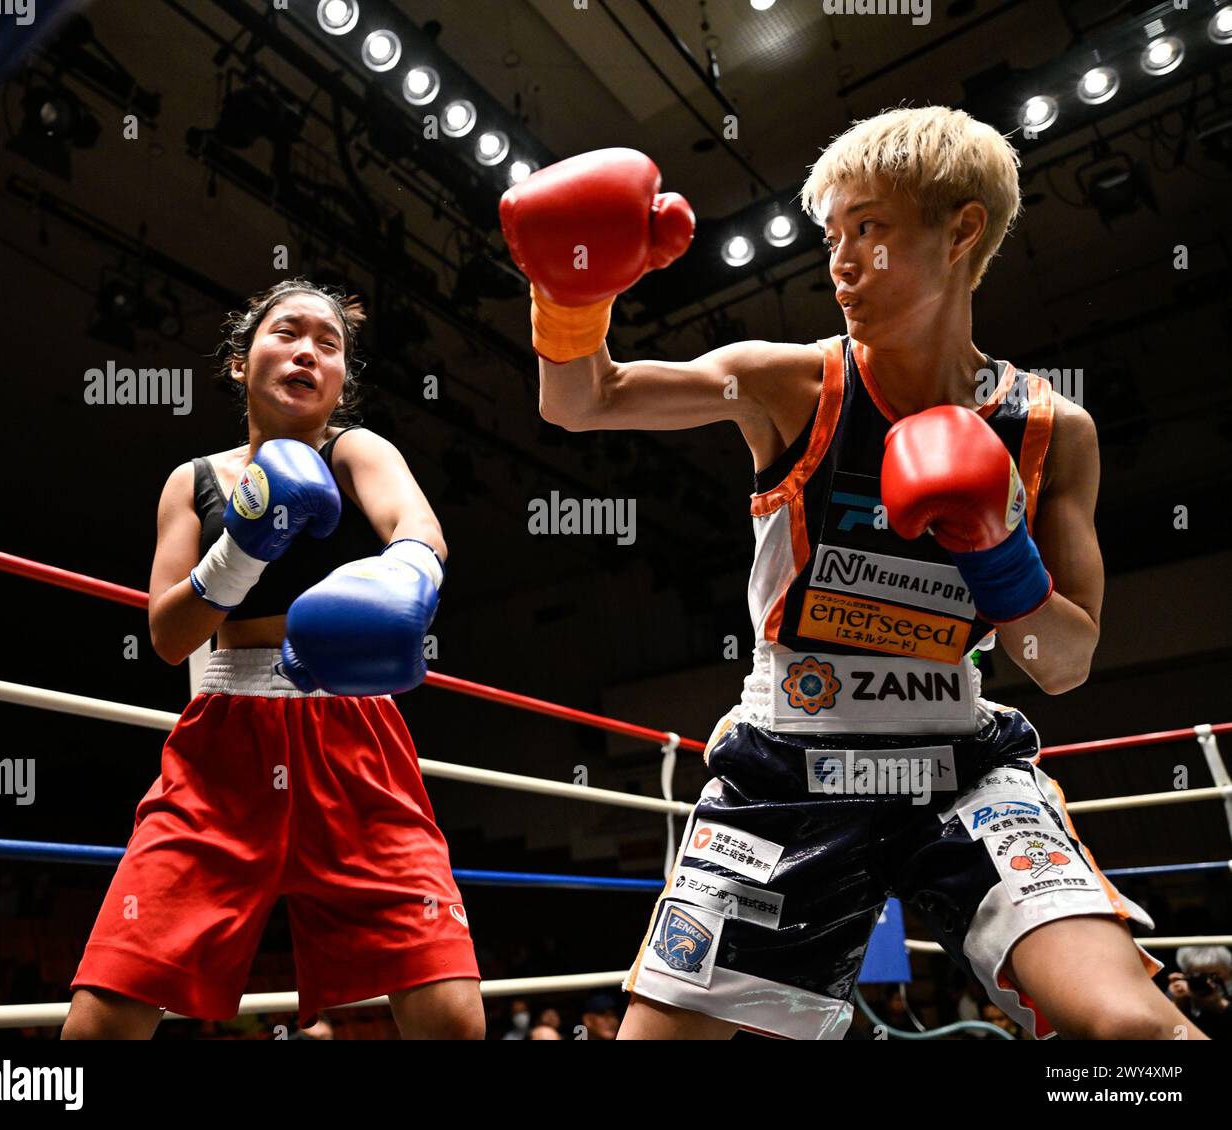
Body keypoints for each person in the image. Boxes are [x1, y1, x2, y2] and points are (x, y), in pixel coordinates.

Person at [500, 112, 1205, 1040]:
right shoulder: (787, 383)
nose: (841, 260)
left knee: (1138, 1037)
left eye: (869, 228)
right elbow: (584, 400)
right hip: (788, 762)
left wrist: (996, 543)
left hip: (962, 763)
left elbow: (1062, 661)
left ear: (960, 232)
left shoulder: (1048, 429)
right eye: (833, 235)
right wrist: (569, 294)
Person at [62, 279, 482, 1040]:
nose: (307, 350)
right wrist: (243, 547)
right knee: (100, 1022)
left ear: (341, 381)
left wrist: (408, 573)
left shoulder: (356, 452)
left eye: (329, 343)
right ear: (238, 362)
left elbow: (417, 524)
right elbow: (167, 635)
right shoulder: (191, 481)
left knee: (453, 1019)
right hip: (223, 755)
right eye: (287, 332)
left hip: (356, 740)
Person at [1168, 946, 1231, 1039]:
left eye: (1213, 976)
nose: (1207, 982)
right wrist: (1178, 1003)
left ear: (1230, 971)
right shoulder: (1181, 993)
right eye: (1198, 977)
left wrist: (1220, 1005)